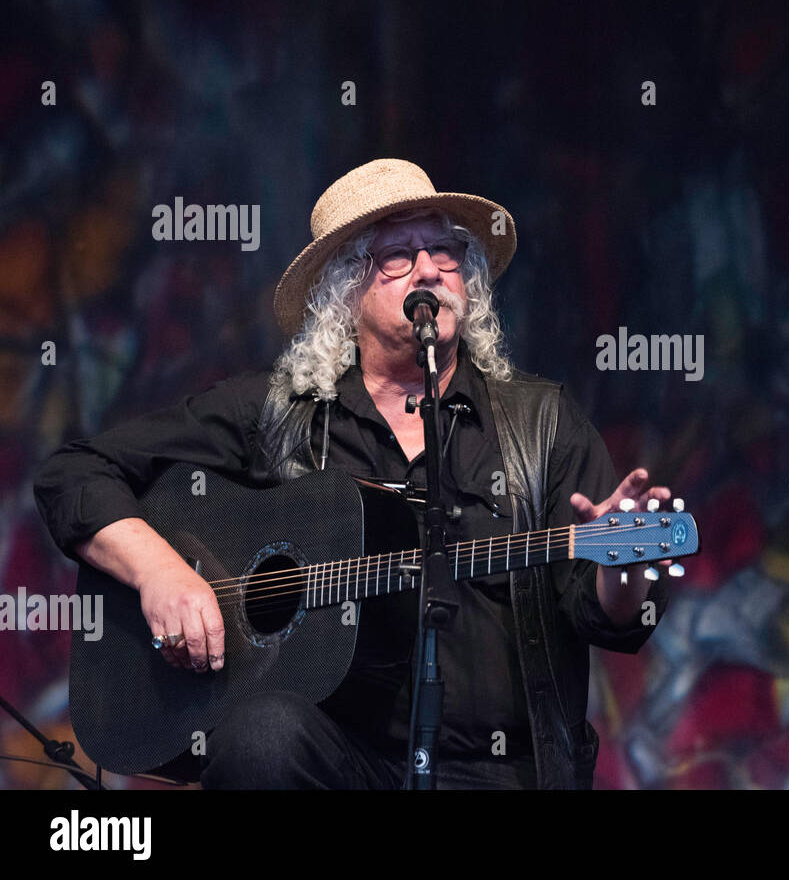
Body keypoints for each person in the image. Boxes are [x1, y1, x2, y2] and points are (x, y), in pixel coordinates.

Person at [33, 158, 675, 789]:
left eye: (444, 251)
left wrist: (621, 575)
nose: (430, 269)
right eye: (397, 255)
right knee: (261, 738)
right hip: (340, 766)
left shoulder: (543, 424)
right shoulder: (275, 415)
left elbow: (606, 616)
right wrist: (160, 572)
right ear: (346, 290)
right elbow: (77, 472)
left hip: (501, 771)